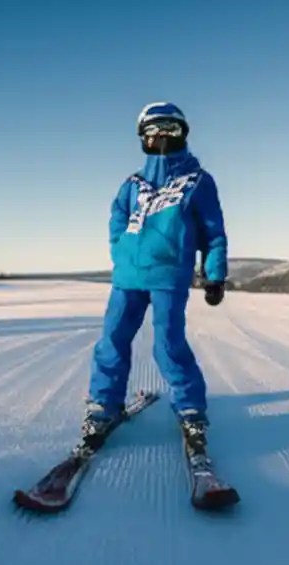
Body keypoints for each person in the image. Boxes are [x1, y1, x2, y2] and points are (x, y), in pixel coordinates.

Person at [82, 101, 228, 456]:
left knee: (168, 346)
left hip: (168, 277)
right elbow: (116, 220)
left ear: (184, 133)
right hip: (127, 277)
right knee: (112, 341)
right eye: (152, 131)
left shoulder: (197, 181)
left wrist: (215, 274)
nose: (161, 137)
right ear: (141, 137)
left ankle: (191, 409)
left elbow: (213, 233)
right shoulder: (131, 185)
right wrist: (120, 251)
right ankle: (104, 405)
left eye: (170, 130)